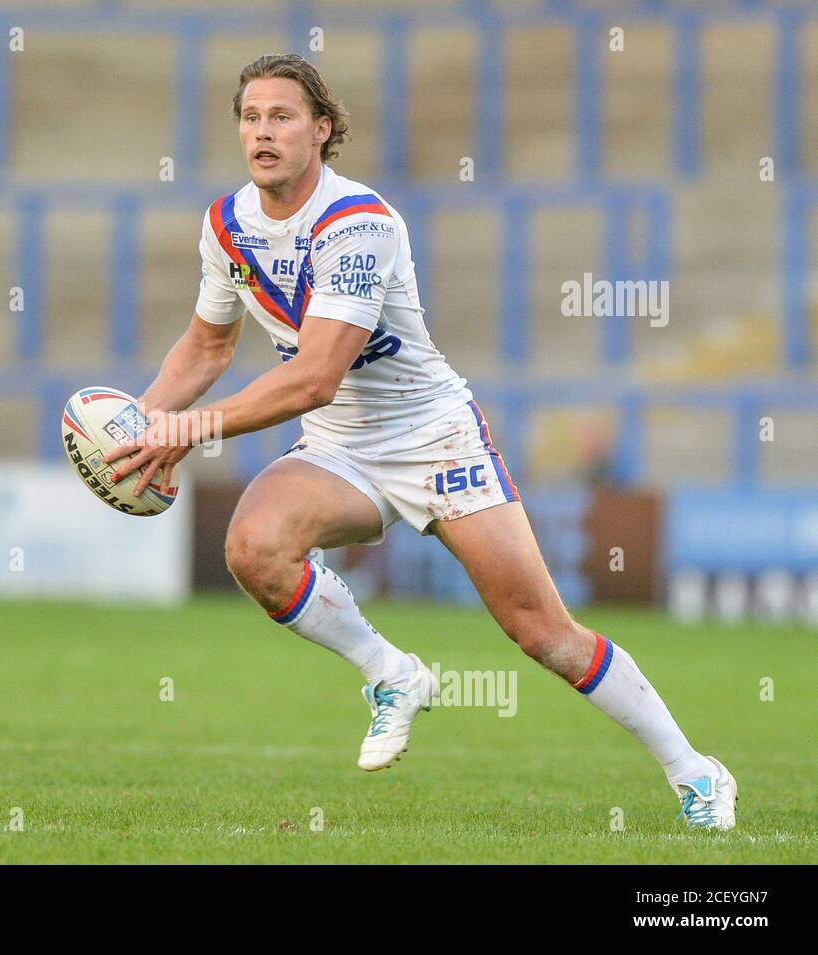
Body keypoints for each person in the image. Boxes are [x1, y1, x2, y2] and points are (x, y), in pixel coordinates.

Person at [103, 54, 736, 830]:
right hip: (339, 450)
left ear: (322, 129)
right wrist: (136, 425)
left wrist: (189, 428)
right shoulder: (225, 226)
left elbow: (314, 378)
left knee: (542, 633)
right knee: (253, 547)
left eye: (282, 116)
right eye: (250, 117)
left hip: (435, 439)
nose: (262, 132)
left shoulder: (358, 223)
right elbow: (205, 348)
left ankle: (695, 771)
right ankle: (391, 672)